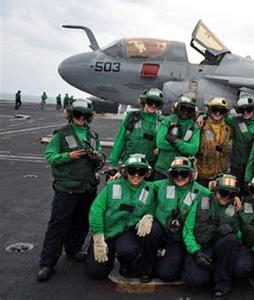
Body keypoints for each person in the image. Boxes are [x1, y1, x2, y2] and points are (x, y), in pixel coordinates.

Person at [37, 98, 104, 282]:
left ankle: (73, 249)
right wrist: (69, 156)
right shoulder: (61, 134)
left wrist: (98, 156)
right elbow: (50, 156)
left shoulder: (93, 136)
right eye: (77, 114)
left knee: (81, 222)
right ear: (71, 115)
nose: (81, 117)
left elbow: (99, 160)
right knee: (58, 224)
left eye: (85, 115)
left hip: (87, 186)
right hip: (67, 187)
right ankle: (47, 262)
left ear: (89, 117)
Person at [87, 154, 159, 283]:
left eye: (141, 171)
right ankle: (94, 247)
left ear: (146, 173)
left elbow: (153, 204)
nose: (136, 175)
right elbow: (96, 210)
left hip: (126, 232)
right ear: (125, 171)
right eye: (132, 171)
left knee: (128, 250)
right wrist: (98, 236)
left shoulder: (150, 188)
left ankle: (127, 263)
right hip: (107, 232)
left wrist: (149, 215)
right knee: (97, 272)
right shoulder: (112, 186)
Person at [151, 156, 210, 282]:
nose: (179, 177)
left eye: (184, 173)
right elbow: (139, 184)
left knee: (168, 274)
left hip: (184, 238)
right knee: (151, 230)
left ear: (191, 175)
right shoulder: (161, 186)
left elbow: (219, 198)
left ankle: (181, 260)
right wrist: (120, 176)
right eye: (175, 173)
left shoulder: (201, 191)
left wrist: (235, 199)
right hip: (166, 234)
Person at [182, 174, 240, 298]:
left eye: (231, 195)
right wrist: (196, 251)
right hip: (201, 248)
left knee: (231, 239)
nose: (226, 197)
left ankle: (222, 284)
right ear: (215, 190)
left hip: (220, 249)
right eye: (223, 193)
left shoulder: (234, 207)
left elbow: (239, 234)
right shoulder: (200, 202)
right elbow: (188, 230)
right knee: (196, 280)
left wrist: (232, 230)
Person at [108, 89, 164, 180]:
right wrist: (113, 163)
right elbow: (121, 140)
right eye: (150, 102)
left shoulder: (162, 122)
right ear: (144, 101)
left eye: (157, 103)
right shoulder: (132, 117)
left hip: (150, 169)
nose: (153, 106)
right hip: (130, 165)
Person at [154, 94, 201, 180]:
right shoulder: (167, 120)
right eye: (183, 108)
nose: (185, 112)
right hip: (163, 169)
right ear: (177, 107)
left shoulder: (194, 127)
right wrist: (183, 148)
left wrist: (176, 141)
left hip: (182, 171)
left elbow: (193, 149)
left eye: (189, 109)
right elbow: (160, 143)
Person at [226, 95, 254, 194]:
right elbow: (219, 118)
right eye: (242, 110)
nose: (245, 113)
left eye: (248, 110)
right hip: (237, 167)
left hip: (253, 168)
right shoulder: (235, 120)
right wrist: (203, 116)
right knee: (234, 194)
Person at [196, 97, 232, 187]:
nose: (218, 113)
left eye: (221, 111)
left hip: (220, 174)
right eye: (215, 110)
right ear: (210, 110)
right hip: (203, 174)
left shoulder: (228, 128)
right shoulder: (201, 125)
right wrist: (201, 115)